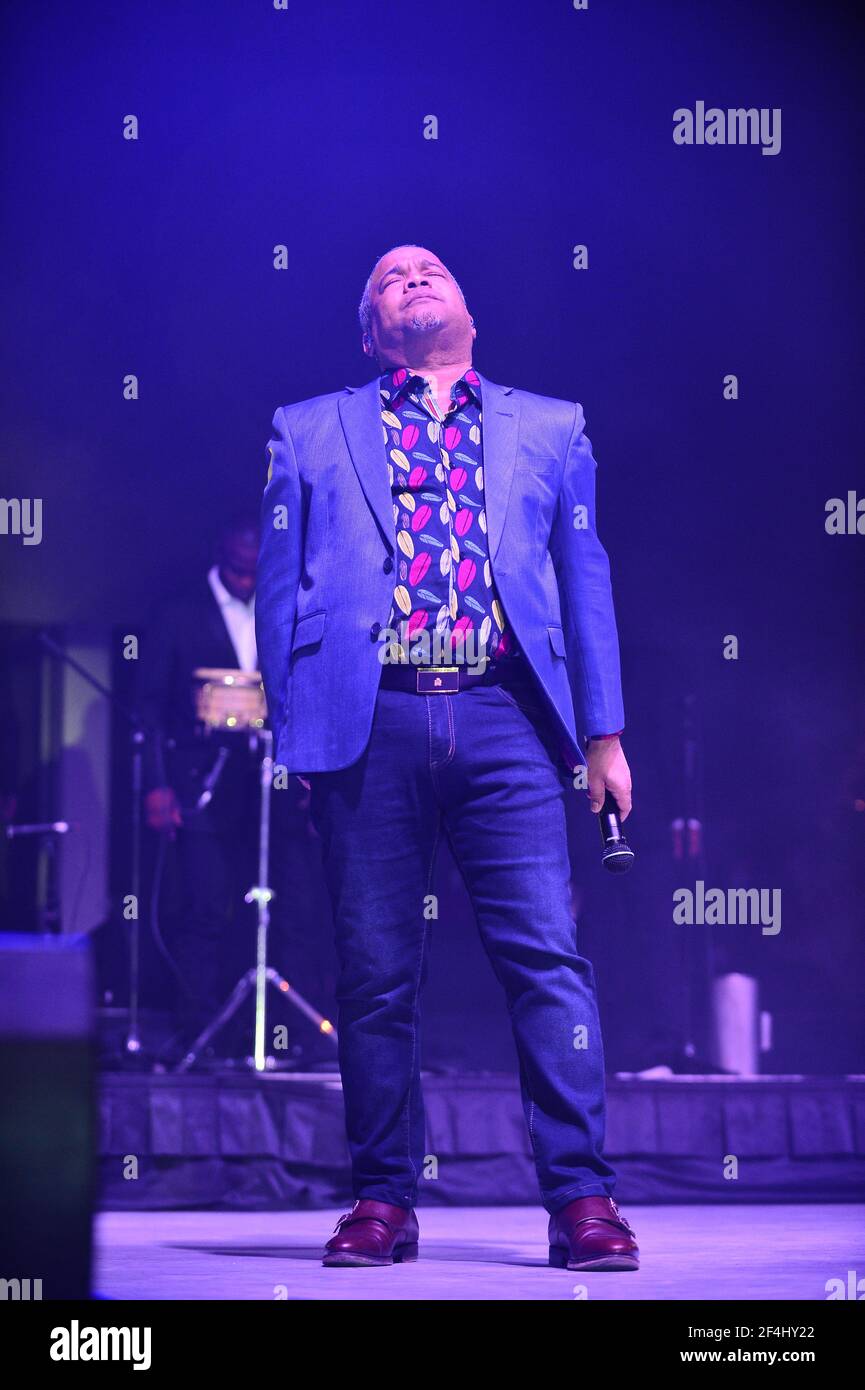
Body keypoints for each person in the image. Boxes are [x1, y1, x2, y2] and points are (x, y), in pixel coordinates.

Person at [255, 244, 639, 1270]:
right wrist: (296, 737)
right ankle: (382, 1198)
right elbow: (279, 591)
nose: (412, 275)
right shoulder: (305, 427)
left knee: (545, 959)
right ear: (371, 328)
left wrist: (602, 735)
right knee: (376, 974)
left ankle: (581, 1199)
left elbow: (581, 576)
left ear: (469, 306)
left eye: (430, 267)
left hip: (506, 716)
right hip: (367, 720)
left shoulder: (551, 427)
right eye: (386, 275)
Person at [138, 514, 331, 1060]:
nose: (248, 579)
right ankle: (198, 1034)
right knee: (203, 905)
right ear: (223, 555)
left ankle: (292, 1040)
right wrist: (158, 786)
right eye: (238, 569)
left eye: (256, 568)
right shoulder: (179, 614)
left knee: (292, 907)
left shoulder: (285, 603)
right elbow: (149, 707)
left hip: (275, 787)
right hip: (203, 784)